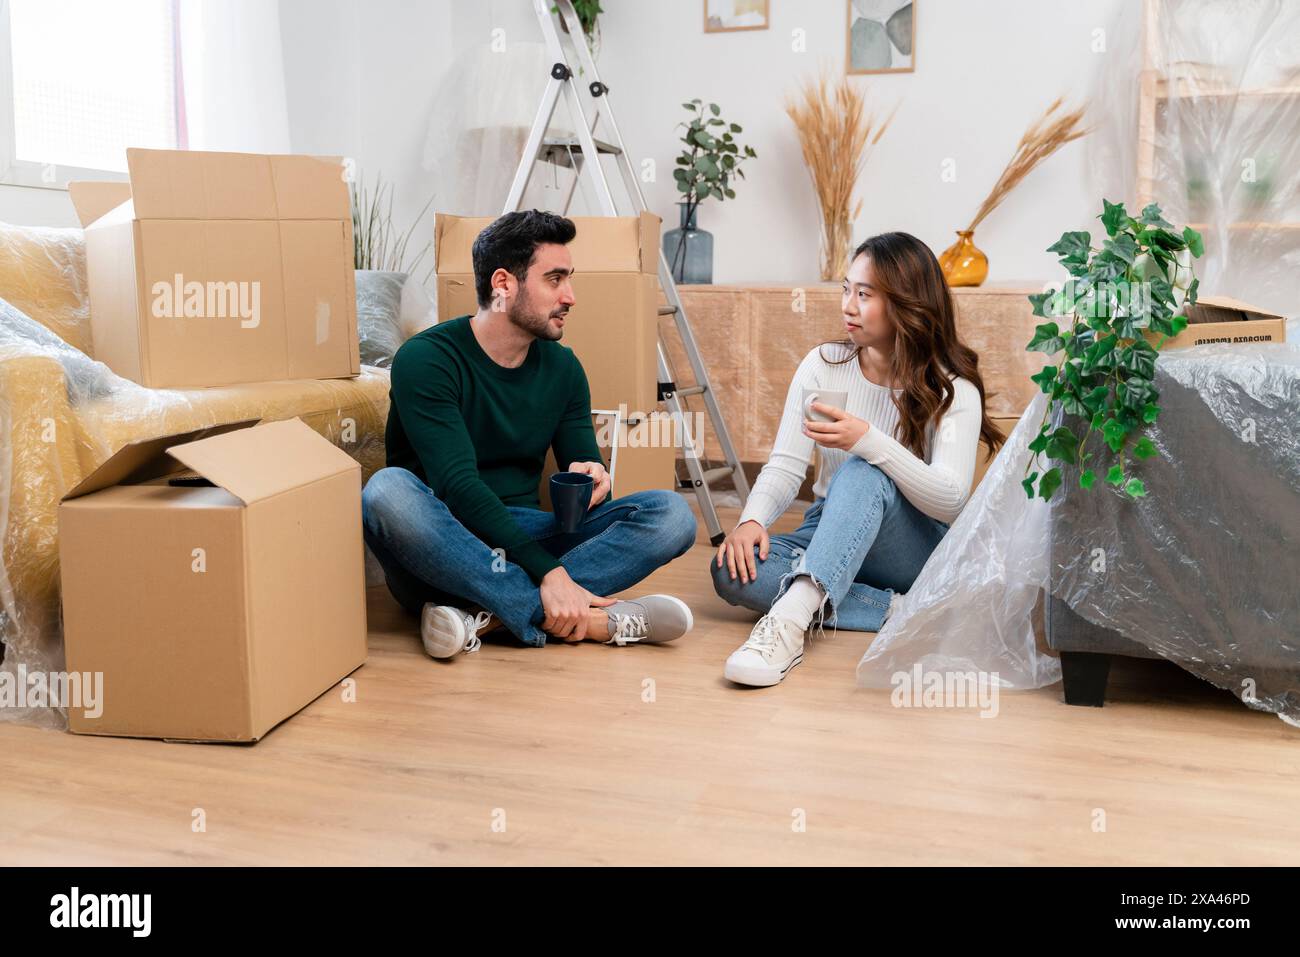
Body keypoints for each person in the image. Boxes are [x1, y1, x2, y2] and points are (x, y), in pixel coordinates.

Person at [363, 210, 697, 659]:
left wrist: (591, 469)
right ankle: (592, 621)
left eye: (569, 279)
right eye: (555, 279)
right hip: (441, 542)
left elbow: (579, 451)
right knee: (387, 492)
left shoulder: (563, 367)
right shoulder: (427, 360)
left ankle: (484, 617)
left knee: (672, 515)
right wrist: (550, 575)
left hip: (524, 535)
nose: (571, 296)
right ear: (503, 284)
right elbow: (458, 487)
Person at [712, 232, 1005, 687]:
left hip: (911, 542)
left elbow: (950, 501)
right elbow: (787, 465)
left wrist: (868, 440)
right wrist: (751, 520)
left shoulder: (952, 389)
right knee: (731, 570)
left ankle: (787, 626)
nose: (848, 305)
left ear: (907, 303)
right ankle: (898, 609)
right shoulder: (823, 365)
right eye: (846, 289)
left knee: (864, 471)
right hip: (829, 526)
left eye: (865, 295)